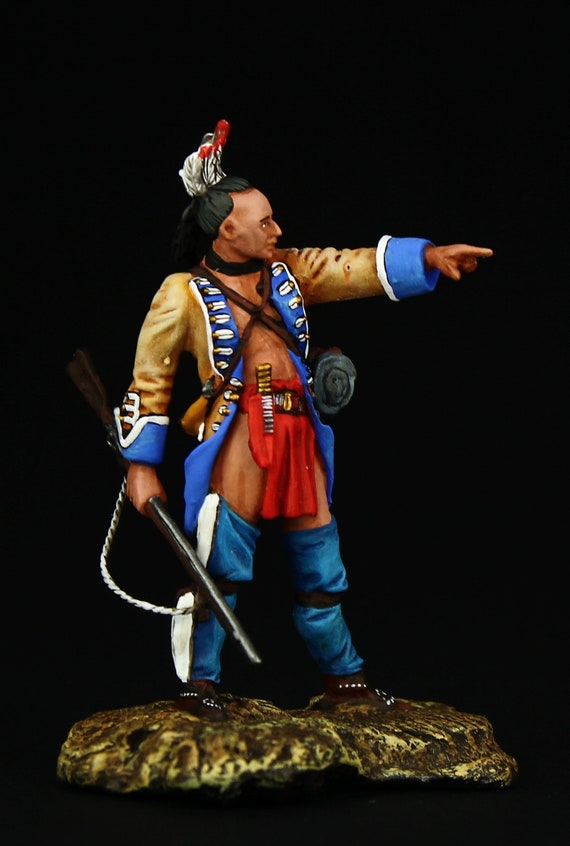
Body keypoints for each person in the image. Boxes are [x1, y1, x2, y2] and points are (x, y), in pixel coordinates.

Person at [114, 120, 493, 721]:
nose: (277, 230)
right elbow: (150, 380)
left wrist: (425, 256)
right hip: (239, 436)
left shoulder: (287, 273)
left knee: (320, 563)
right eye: (264, 222)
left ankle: (346, 679)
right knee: (216, 568)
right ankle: (199, 685)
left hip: (299, 432)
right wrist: (140, 467)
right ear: (226, 229)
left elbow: (347, 267)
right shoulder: (182, 294)